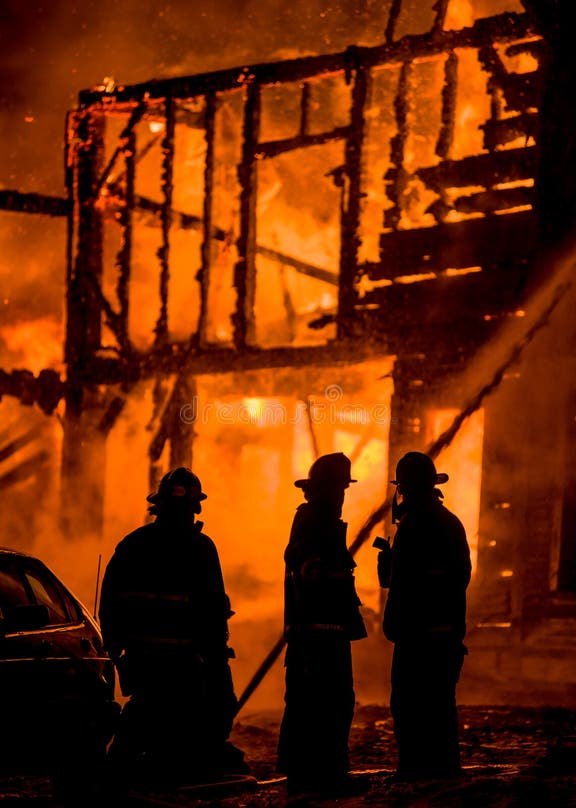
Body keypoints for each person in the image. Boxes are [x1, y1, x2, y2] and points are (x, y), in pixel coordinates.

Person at [98, 467, 249, 789]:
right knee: (210, 709)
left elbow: (109, 602)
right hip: (184, 659)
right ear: (195, 508)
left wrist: (113, 646)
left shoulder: (132, 544)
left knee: (146, 713)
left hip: (144, 655)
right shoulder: (200, 548)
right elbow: (213, 609)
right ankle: (182, 766)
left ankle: (126, 771)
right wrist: (217, 654)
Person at [277, 452, 369, 799]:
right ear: (323, 490)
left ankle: (322, 774)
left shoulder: (320, 520)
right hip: (317, 636)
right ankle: (319, 777)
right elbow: (310, 574)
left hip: (325, 632)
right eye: (339, 488)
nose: (343, 496)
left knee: (329, 703)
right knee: (323, 704)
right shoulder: (314, 522)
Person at [378, 451, 471, 781]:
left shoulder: (414, 526)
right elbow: (460, 578)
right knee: (440, 706)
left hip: (416, 637)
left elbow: (404, 584)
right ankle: (444, 769)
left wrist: (389, 573)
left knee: (409, 705)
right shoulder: (451, 523)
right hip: (445, 636)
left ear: (405, 488)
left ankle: (414, 769)